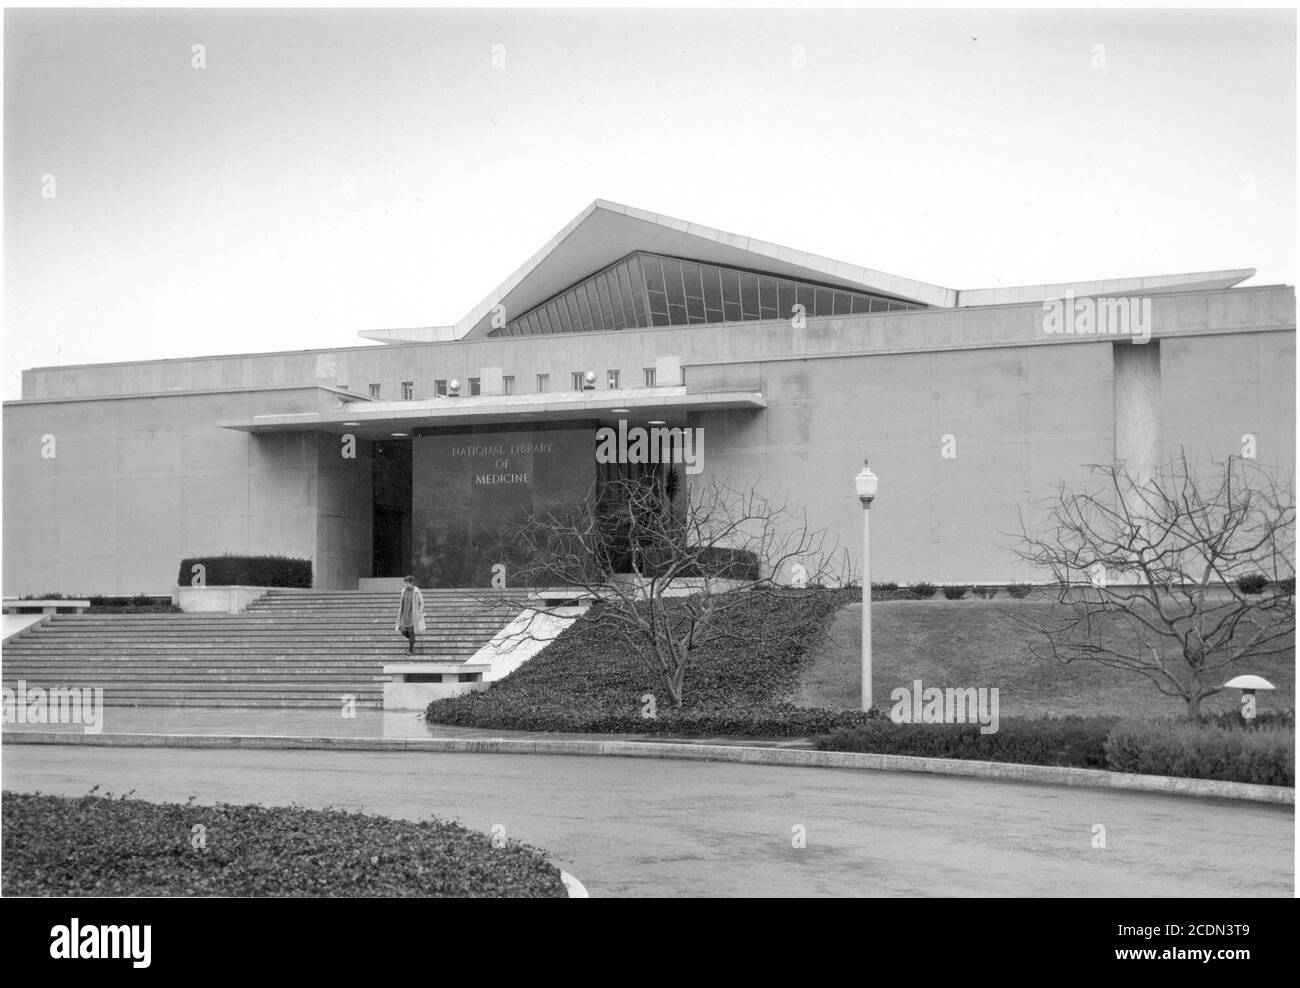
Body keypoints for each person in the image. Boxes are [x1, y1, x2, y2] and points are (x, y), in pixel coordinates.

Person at [395, 576, 425, 655]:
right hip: (404, 615)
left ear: (411, 583)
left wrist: (420, 612)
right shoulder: (403, 591)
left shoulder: (416, 591)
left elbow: (421, 602)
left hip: (412, 615)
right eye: (404, 583)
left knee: (411, 631)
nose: (405, 584)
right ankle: (412, 640)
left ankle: (411, 650)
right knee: (403, 630)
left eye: (407, 583)